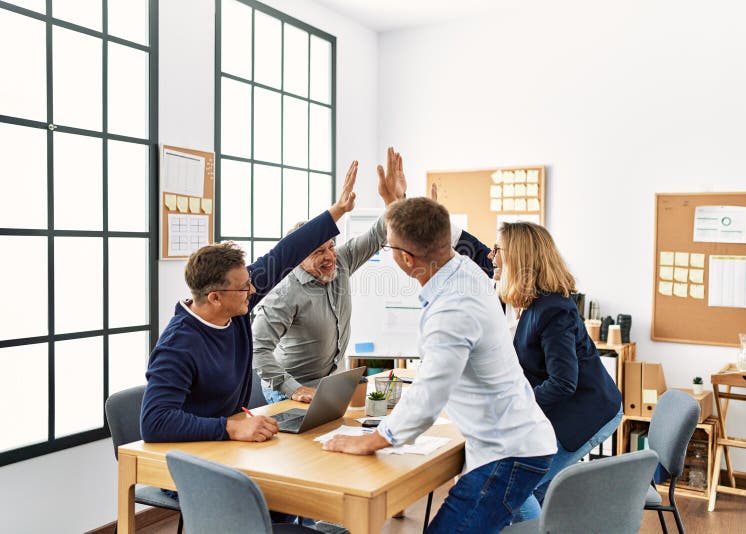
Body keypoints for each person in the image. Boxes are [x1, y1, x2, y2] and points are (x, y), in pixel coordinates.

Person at [322, 198, 557, 534]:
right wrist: (396, 203)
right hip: (515, 441)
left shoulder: (451, 311)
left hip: (507, 453)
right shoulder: (466, 270)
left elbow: (429, 395)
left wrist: (372, 440)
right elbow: (428, 231)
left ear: (405, 258)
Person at [139, 161, 359, 443]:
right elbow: (154, 423)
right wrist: (230, 428)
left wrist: (338, 210)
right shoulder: (178, 346)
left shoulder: (236, 303)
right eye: (244, 288)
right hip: (194, 461)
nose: (253, 289)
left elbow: (285, 254)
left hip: (233, 444)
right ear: (214, 298)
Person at [251, 148, 406, 404]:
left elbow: (379, 233)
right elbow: (259, 349)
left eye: (331, 247)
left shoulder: (342, 261)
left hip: (328, 385)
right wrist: (292, 388)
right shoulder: (283, 292)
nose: (329, 256)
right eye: (319, 251)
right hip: (288, 390)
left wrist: (395, 201)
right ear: (296, 256)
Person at [491, 222, 623, 521]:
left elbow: (563, 383)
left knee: (513, 490)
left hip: (587, 413)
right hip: (560, 409)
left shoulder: (553, 309)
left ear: (518, 257)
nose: (491, 256)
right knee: (528, 492)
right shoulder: (521, 303)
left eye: (497, 250)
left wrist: (514, 407)